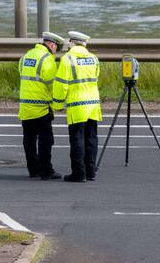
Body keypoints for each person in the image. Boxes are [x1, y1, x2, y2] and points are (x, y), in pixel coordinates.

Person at [53, 30, 102, 182]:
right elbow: (96, 77)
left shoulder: (68, 59)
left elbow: (61, 85)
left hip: (77, 106)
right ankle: (91, 172)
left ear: (72, 43)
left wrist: (58, 104)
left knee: (77, 140)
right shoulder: (93, 58)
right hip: (93, 105)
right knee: (91, 139)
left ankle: (79, 173)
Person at [19, 31, 63, 180]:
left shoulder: (26, 56)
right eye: (56, 47)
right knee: (46, 140)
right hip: (42, 108)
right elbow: (53, 85)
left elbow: (23, 75)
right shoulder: (47, 59)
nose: (56, 51)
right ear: (52, 44)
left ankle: (33, 169)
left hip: (25, 107)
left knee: (29, 140)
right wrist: (59, 103)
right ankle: (46, 171)